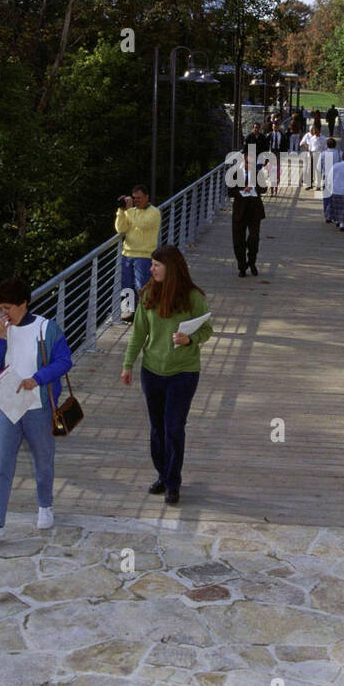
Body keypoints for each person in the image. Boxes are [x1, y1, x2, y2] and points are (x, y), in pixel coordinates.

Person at [0, 277, 73, 541]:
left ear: (24, 303)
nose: (4, 313)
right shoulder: (2, 330)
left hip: (38, 406)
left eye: (8, 307)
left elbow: (64, 361)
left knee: (43, 460)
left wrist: (37, 379)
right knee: (1, 464)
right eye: (0, 308)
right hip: (8, 405)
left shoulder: (46, 328)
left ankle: (45, 506)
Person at [120, 245, 212, 505]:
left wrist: (189, 339)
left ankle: (173, 482)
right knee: (157, 428)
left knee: (174, 427)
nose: (151, 269)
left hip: (184, 372)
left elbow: (207, 330)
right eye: (151, 265)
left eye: (156, 265)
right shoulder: (148, 293)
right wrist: (128, 365)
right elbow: (138, 333)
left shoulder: (194, 297)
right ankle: (162, 474)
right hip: (151, 371)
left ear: (171, 267)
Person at [115, 185, 162, 322]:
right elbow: (120, 229)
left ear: (147, 197)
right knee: (127, 286)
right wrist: (121, 211)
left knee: (142, 286)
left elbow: (141, 224)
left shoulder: (154, 212)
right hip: (127, 254)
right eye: (134, 198)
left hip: (144, 256)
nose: (136, 201)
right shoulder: (131, 211)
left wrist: (129, 210)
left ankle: (147, 314)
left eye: (139, 198)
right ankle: (128, 313)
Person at [231, 171, 267, 274]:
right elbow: (230, 191)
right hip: (240, 212)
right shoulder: (235, 174)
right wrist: (242, 190)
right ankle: (242, 267)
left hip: (254, 211)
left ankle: (252, 263)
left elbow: (264, 189)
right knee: (238, 241)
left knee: (253, 239)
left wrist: (254, 188)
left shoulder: (258, 174)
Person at [265, 118, 286, 195]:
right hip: (271, 152)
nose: (275, 128)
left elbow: (284, 145)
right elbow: (266, 144)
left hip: (278, 153)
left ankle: (276, 189)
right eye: (274, 126)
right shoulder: (269, 135)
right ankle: (271, 190)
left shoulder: (281, 135)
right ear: (272, 127)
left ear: (278, 127)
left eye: (276, 126)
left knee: (277, 171)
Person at [309, 123, 328, 190]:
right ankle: (316, 183)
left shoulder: (323, 138)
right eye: (314, 131)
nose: (315, 132)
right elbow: (310, 147)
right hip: (314, 154)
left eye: (316, 131)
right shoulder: (312, 138)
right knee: (315, 170)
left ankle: (319, 184)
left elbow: (325, 148)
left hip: (320, 154)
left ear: (319, 131)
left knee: (319, 170)